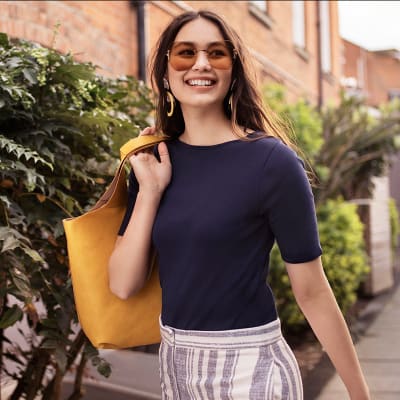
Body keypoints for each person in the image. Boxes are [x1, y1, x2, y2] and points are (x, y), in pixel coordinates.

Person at [108, 9, 370, 400]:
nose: (201, 64)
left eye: (217, 53)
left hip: (252, 372)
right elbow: (123, 284)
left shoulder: (272, 162)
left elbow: (312, 291)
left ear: (233, 71)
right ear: (165, 71)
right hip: (176, 371)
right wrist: (149, 191)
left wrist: (359, 394)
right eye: (186, 53)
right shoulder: (153, 163)